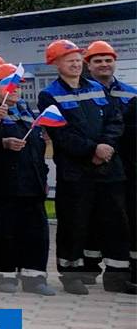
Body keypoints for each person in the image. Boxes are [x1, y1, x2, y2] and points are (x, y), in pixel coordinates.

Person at [38, 39, 130, 294]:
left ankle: (117, 276)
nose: (76, 64)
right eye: (70, 60)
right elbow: (61, 134)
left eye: (79, 60)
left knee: (116, 222)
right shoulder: (50, 95)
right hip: (75, 172)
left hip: (109, 168)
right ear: (56, 64)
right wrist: (92, 150)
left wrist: (106, 145)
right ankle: (71, 275)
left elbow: (115, 120)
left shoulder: (97, 88)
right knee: (74, 224)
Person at [0, 64, 55, 295]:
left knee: (36, 233)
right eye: (8, 85)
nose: (14, 89)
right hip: (3, 183)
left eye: (17, 85)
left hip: (32, 182)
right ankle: (5, 275)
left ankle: (35, 278)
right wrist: (0, 138)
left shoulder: (26, 110)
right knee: (6, 231)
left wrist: (42, 176)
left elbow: (37, 145)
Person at [81, 41, 137, 293]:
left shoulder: (130, 93)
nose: (104, 64)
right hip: (92, 163)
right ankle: (88, 268)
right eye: (98, 61)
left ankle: (124, 271)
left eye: (108, 60)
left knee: (124, 219)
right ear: (89, 65)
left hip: (125, 166)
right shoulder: (82, 92)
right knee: (91, 219)